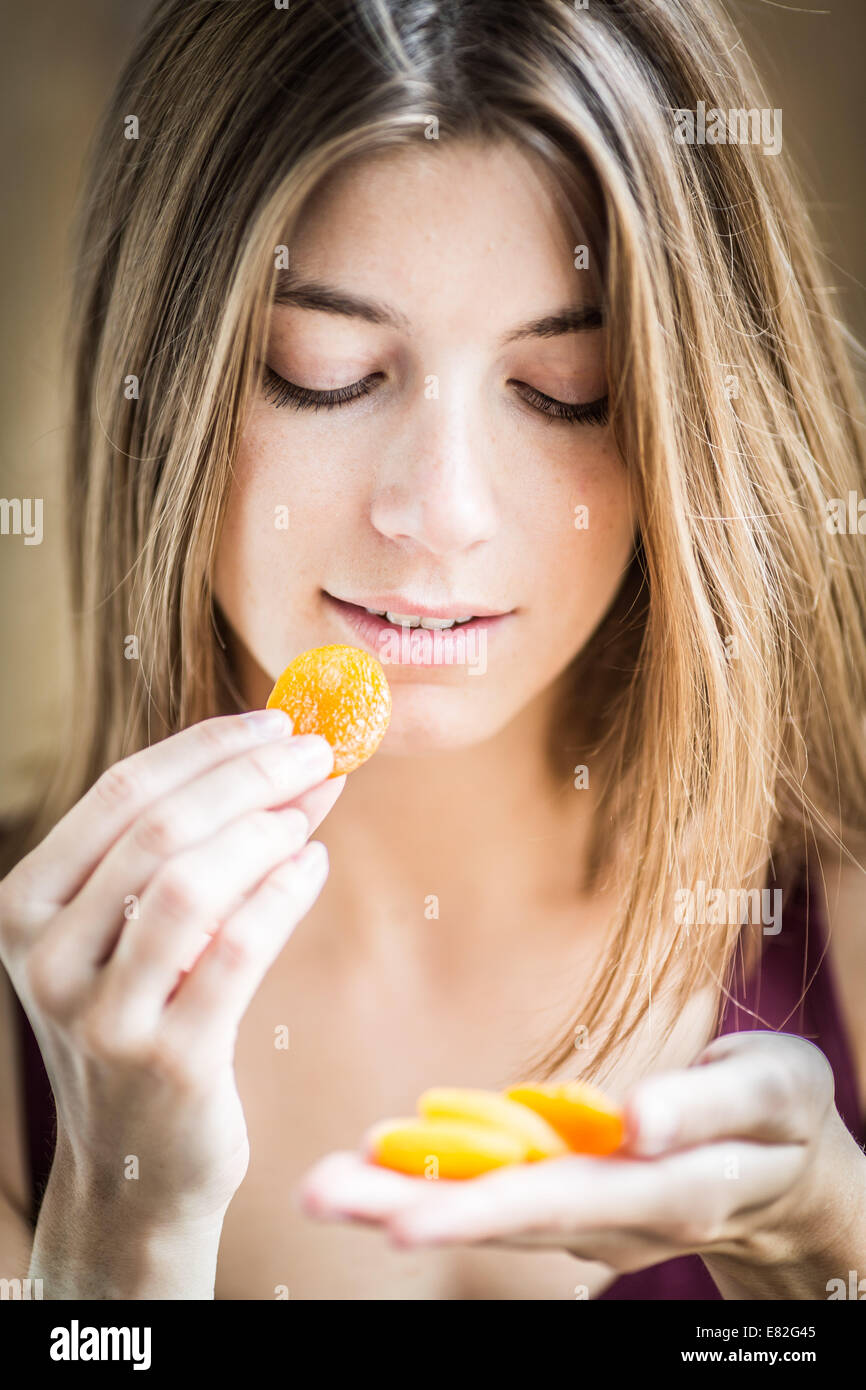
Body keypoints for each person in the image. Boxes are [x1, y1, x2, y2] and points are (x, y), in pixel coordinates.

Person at [1, 0, 864, 1300]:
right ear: (166, 388)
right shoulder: (28, 1004)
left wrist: (828, 1255)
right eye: (326, 369)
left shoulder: (836, 916)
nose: (439, 513)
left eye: (567, 390)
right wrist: (118, 1240)